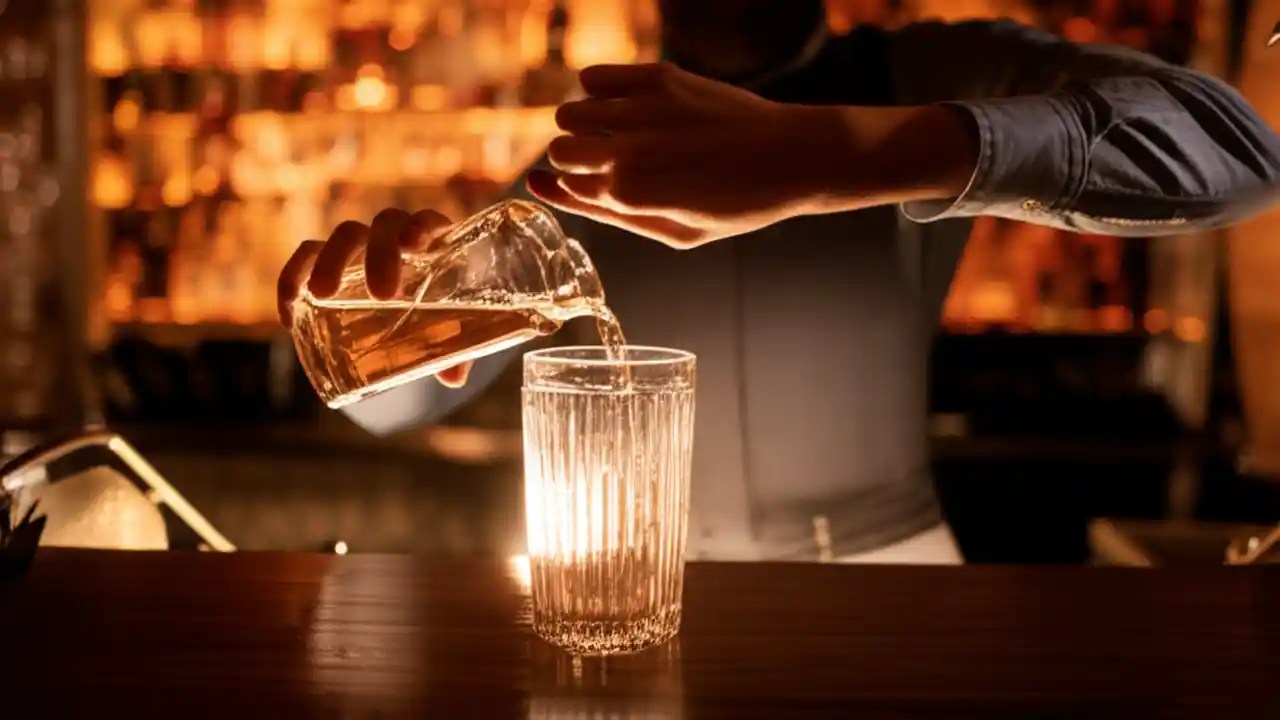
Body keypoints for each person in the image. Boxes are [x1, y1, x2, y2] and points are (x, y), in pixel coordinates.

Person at [278, 1, 1280, 564]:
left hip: (891, 582)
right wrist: (363, 332)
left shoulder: (922, 69)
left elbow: (1238, 153)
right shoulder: (603, 135)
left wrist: (830, 150)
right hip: (648, 597)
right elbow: (406, 402)